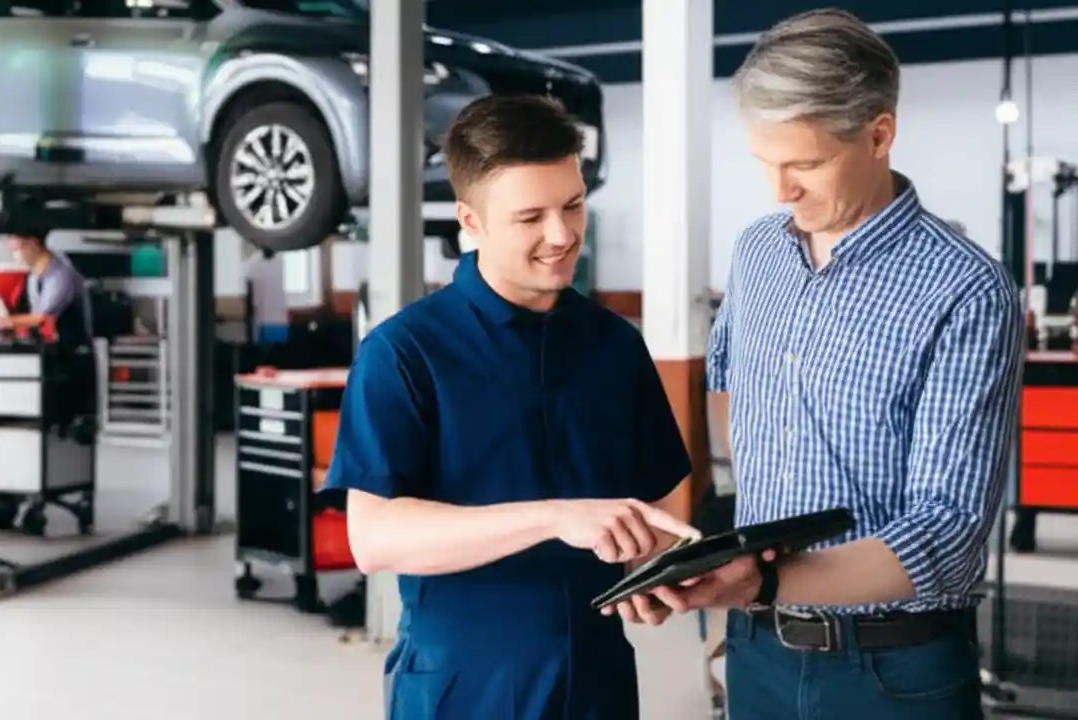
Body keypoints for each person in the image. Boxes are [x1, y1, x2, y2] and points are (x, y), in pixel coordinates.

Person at [650, 10, 1025, 720]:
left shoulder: (966, 290)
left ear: (879, 135)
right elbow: (728, 387)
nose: (780, 191)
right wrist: (740, 561)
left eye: (806, 164)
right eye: (765, 162)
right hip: (758, 649)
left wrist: (765, 581)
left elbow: (947, 532)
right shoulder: (759, 252)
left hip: (894, 670)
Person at [322, 94, 700, 719]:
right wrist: (552, 518)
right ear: (470, 221)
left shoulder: (615, 346)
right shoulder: (405, 353)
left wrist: (657, 569)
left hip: (598, 681)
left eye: (573, 205)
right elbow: (375, 538)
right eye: (531, 217)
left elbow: (651, 515)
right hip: (465, 686)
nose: (562, 235)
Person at [0, 233, 93, 351]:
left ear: (33, 242)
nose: (9, 247)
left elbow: (41, 317)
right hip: (54, 344)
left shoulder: (59, 273)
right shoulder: (35, 272)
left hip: (73, 348)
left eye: (14, 242)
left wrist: (4, 322)